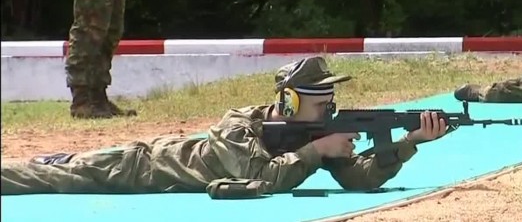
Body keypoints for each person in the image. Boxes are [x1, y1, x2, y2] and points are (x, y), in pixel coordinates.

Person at [0, 57, 449, 196]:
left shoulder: (317, 134)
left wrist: (410, 143)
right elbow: (263, 178)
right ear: (291, 100)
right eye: (321, 99)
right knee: (58, 175)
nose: (330, 105)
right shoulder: (240, 125)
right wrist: (320, 151)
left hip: (156, 173)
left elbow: (359, 181)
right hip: (142, 166)